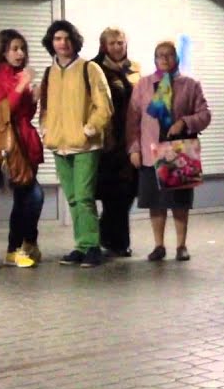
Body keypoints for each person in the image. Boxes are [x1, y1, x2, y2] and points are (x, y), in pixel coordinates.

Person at [38, 20, 113, 269]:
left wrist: (89, 129)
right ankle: (81, 246)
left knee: (84, 197)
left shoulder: (89, 69)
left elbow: (105, 105)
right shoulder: (50, 73)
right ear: (52, 42)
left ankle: (92, 245)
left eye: (66, 38)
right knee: (72, 197)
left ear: (74, 41)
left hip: (85, 146)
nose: (63, 43)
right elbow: (46, 108)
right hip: (59, 145)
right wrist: (46, 129)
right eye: (58, 38)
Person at [127, 40, 211, 261]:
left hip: (178, 151)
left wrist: (185, 122)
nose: (164, 59)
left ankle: (181, 246)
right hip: (150, 150)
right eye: (159, 55)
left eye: (169, 55)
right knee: (155, 202)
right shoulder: (143, 85)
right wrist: (134, 149)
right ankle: (159, 245)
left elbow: (205, 115)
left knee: (179, 202)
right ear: (154, 59)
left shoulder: (190, 85)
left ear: (177, 58)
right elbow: (133, 120)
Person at [0, 29, 44, 268]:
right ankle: (19, 246)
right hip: (9, 144)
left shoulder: (21, 75)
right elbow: (2, 111)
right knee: (34, 195)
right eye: (14, 49)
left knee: (24, 199)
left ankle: (22, 246)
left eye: (22, 48)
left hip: (28, 141)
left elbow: (26, 114)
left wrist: (34, 97)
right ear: (3, 51)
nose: (20, 53)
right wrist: (21, 87)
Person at [92, 27, 140, 257]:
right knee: (112, 192)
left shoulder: (135, 69)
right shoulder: (95, 69)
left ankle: (110, 235)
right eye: (112, 43)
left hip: (131, 138)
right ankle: (116, 241)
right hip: (108, 141)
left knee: (129, 191)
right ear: (104, 46)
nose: (117, 47)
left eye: (120, 42)